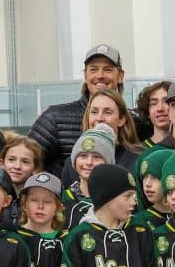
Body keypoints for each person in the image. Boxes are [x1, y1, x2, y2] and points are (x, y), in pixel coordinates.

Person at [26, 44, 127, 175]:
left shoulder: (133, 122)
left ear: (120, 76)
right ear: (85, 75)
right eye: (93, 69)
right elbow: (25, 161)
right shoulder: (55, 118)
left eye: (108, 70)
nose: (100, 75)